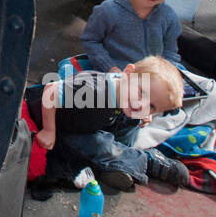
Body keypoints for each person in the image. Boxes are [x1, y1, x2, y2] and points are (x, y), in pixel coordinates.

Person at [26, 55, 191, 191]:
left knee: (132, 121)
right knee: (99, 145)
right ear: (127, 72)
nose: (142, 104)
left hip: (91, 122)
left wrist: (144, 114)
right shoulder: (94, 90)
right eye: (142, 92)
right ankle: (146, 161)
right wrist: (49, 130)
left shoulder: (126, 93)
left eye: (152, 106)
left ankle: (117, 161)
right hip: (61, 126)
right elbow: (52, 91)